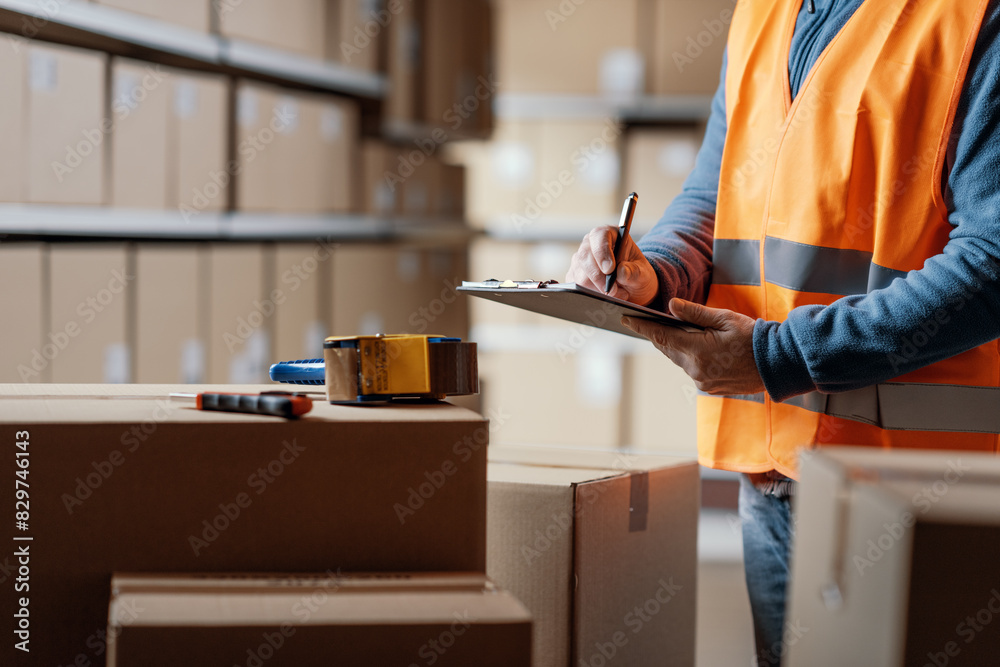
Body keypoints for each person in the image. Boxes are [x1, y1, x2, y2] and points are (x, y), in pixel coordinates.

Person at [566, 1, 1000, 665]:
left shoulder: (971, 18)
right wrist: (651, 272)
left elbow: (992, 261)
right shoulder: (764, 12)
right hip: (771, 475)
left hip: (914, 491)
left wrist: (779, 354)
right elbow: (714, 197)